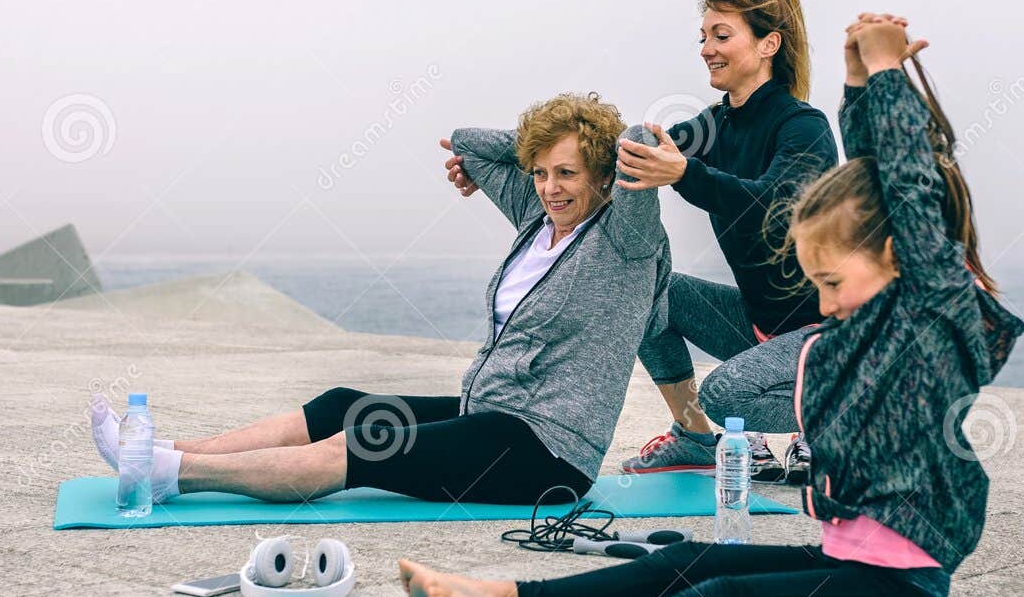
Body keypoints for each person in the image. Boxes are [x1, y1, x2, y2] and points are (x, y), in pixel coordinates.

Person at [397, 13, 1024, 597]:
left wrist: (890, 72)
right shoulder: (874, 318)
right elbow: (872, 181)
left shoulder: (931, 318)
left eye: (833, 283)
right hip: (849, 565)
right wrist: (857, 82)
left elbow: (909, 191)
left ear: (901, 259)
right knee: (687, 561)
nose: (826, 305)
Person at [86, 93, 669, 506]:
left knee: (366, 443)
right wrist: (542, 142)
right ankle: (163, 448)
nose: (549, 187)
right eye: (539, 172)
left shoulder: (625, 240)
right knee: (343, 406)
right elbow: (467, 143)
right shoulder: (537, 219)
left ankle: (173, 475)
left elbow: (638, 141)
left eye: (566, 172)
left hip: (548, 453)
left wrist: (586, 137)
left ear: (603, 172)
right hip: (489, 414)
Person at [609, 0, 838, 479]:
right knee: (651, 289)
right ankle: (692, 437)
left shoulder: (803, 126)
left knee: (725, 394)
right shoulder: (716, 125)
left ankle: (836, 417)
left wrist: (685, 174)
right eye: (703, 37)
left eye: (721, 35)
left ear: (768, 44)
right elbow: (633, 152)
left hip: (829, 333)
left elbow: (776, 203)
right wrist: (511, 160)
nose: (706, 49)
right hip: (761, 327)